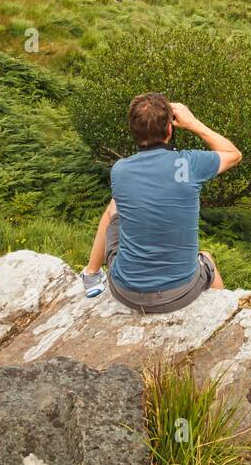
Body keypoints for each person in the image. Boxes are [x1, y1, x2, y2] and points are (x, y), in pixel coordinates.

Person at [80, 93, 241, 313]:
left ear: (133, 131)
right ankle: (219, 317)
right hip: (181, 292)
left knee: (112, 209)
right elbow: (233, 154)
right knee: (207, 258)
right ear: (170, 129)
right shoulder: (188, 164)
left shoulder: (121, 170)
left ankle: (91, 274)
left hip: (126, 291)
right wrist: (193, 123)